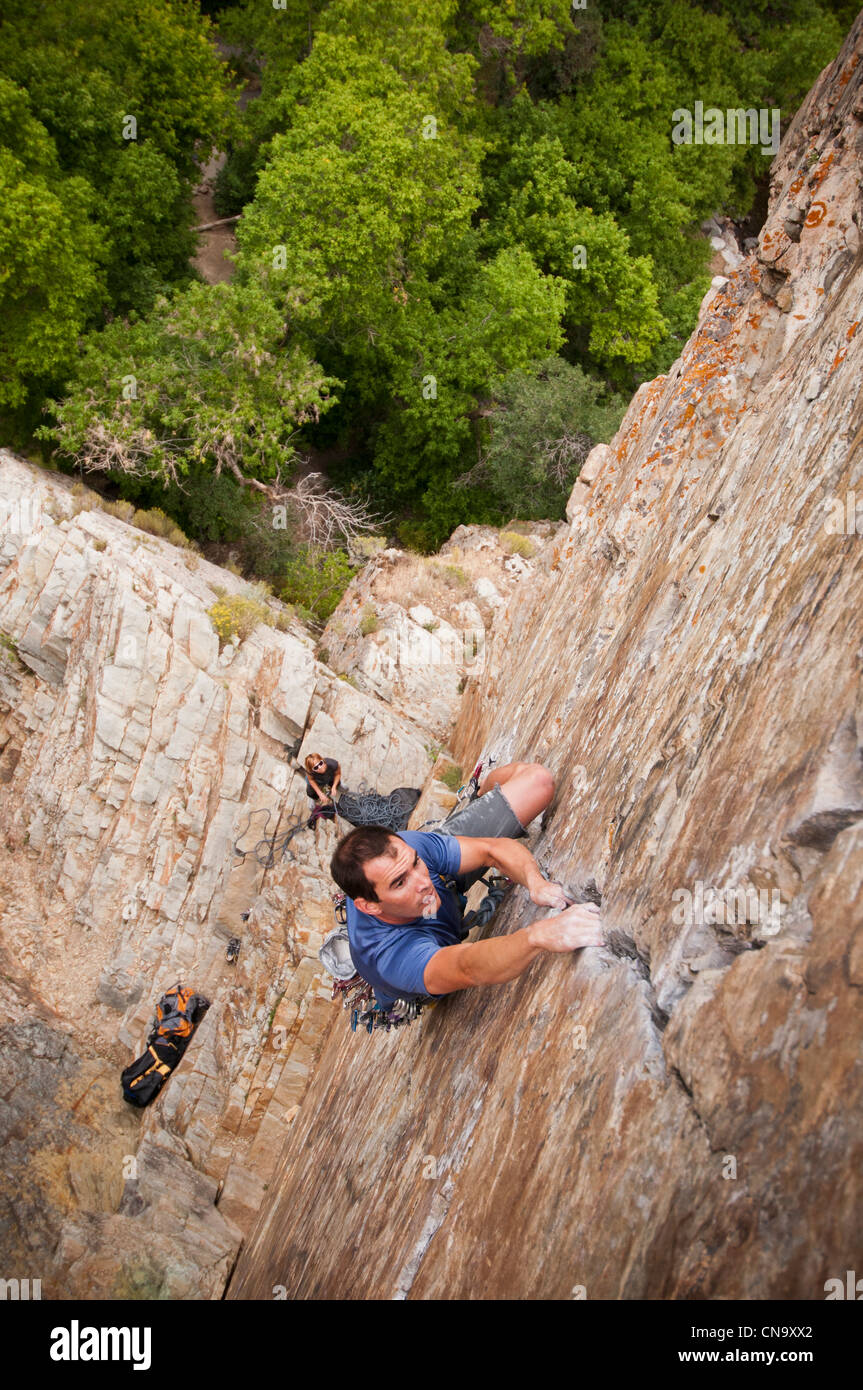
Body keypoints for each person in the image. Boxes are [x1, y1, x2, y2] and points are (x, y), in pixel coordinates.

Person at [329, 761, 602, 1007]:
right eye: (400, 882)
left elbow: (491, 850)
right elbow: (466, 967)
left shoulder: (408, 848)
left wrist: (535, 882)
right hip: (425, 946)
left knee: (538, 782)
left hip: (445, 888)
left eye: (415, 863)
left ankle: (480, 792)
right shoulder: (390, 957)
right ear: (370, 906)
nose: (423, 883)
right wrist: (536, 936)